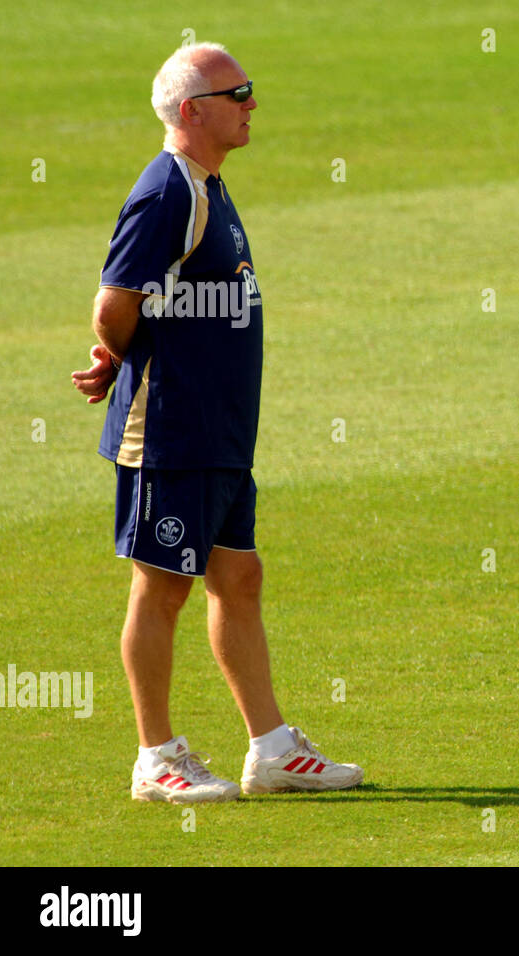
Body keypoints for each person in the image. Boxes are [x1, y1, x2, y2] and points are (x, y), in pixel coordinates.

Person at [71, 42, 363, 803]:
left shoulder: (209, 186)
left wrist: (123, 351)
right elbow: (114, 301)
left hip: (221, 433)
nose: (253, 103)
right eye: (241, 92)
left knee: (238, 576)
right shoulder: (170, 192)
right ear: (192, 111)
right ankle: (155, 758)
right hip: (171, 429)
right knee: (162, 586)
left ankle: (270, 750)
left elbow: (155, 303)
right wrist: (119, 355)